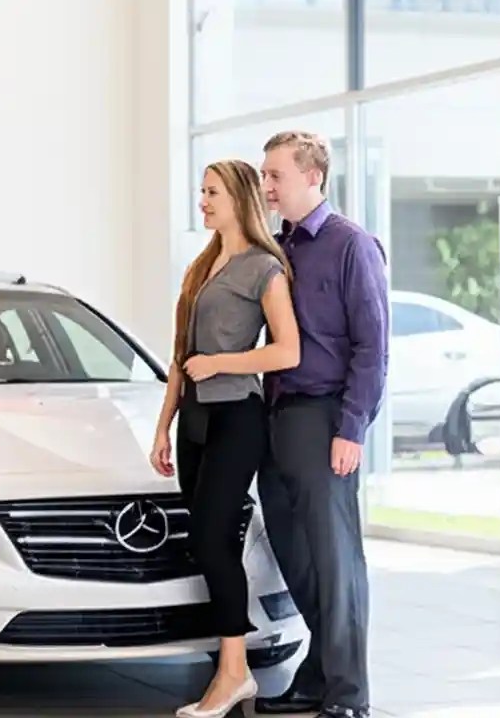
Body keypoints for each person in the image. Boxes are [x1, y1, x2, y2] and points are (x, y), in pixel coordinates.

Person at [149, 159, 301, 718]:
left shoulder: (265, 267)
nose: (203, 201)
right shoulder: (202, 265)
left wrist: (220, 363)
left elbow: (287, 350)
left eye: (212, 192)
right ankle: (232, 669)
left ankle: (234, 672)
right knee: (207, 542)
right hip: (194, 421)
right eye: (202, 191)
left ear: (239, 198)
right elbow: (179, 356)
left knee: (214, 540)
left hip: (238, 417)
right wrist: (163, 427)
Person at [253, 130, 388, 718]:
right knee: (295, 554)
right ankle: (318, 672)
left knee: (336, 561)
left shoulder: (352, 245)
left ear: (313, 177)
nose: (266, 185)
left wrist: (351, 429)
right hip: (276, 416)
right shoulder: (275, 248)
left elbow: (373, 348)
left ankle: (349, 694)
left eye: (275, 175)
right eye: (264, 175)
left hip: (324, 415)